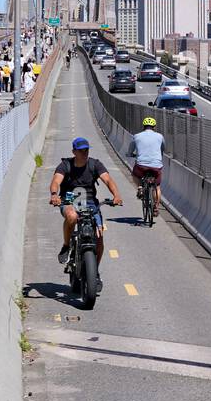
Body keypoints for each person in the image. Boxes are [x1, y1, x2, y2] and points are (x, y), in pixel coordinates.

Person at [48, 137, 122, 279]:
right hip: (69, 200)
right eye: (81, 151)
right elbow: (56, 181)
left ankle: (94, 272)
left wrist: (116, 195)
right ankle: (66, 245)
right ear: (74, 151)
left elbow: (107, 179)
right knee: (72, 216)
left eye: (86, 150)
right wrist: (54, 195)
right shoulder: (65, 165)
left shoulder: (95, 164)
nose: (84, 153)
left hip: (90, 203)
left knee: (99, 240)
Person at [127, 116, 166, 209]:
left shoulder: (136, 136)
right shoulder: (160, 136)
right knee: (157, 186)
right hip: (156, 165)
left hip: (141, 165)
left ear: (143, 126)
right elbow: (163, 148)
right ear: (154, 127)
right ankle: (156, 207)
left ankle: (140, 187)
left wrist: (130, 154)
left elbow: (130, 150)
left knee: (135, 175)